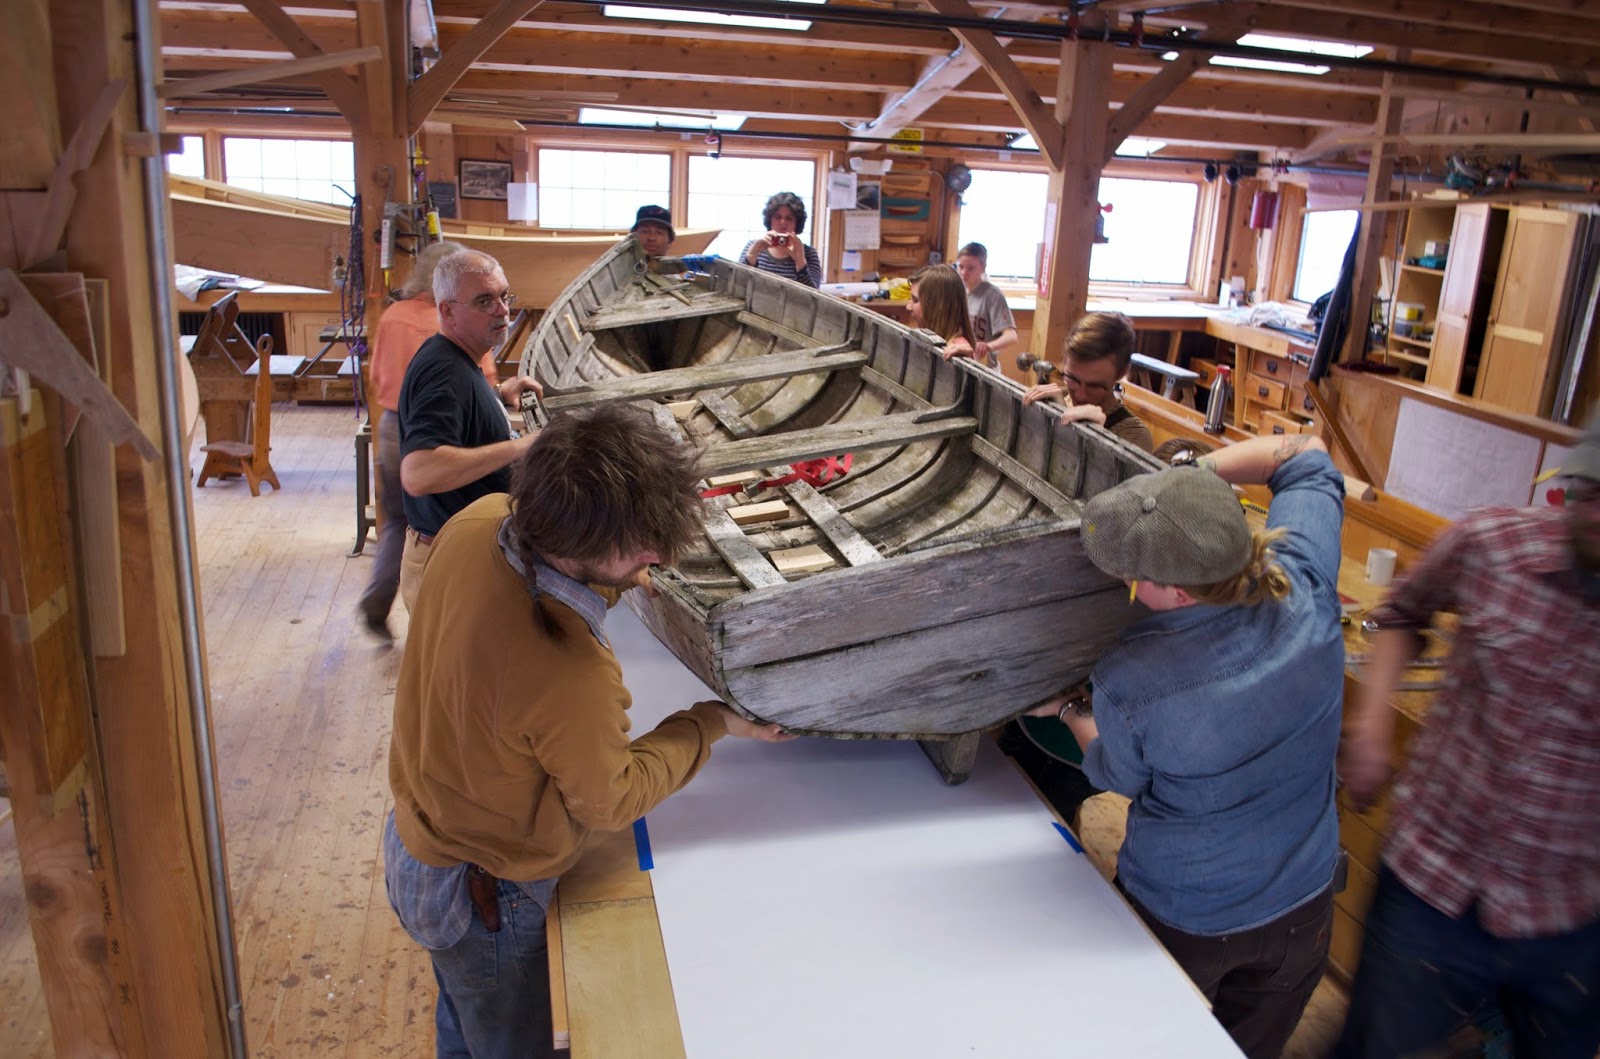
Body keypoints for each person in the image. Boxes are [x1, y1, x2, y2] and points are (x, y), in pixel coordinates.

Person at [385, 402, 792, 1059]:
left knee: (461, 1019)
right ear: (581, 546)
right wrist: (708, 722)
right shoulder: (568, 670)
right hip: (487, 899)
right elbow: (609, 799)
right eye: (643, 548)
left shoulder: (476, 525)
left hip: (420, 840)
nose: (656, 556)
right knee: (508, 1042)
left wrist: (613, 581)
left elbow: (510, 654)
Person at [1026, 433, 1346, 1059]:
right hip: (1305, 905)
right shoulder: (1305, 582)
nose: (1128, 584)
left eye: (1133, 578)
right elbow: (1303, 454)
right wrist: (1191, 480)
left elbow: (1118, 776)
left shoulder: (1131, 678)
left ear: (1175, 592)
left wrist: (1067, 710)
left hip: (1188, 917)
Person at [1333, 412, 1600, 1059]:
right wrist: (1371, 723)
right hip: (1434, 879)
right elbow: (1402, 611)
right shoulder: (1491, 546)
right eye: (1596, 500)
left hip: (1567, 909)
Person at [356, 241, 499, 642]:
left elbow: (379, 375)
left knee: (398, 520)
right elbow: (481, 381)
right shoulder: (454, 325)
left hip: (391, 426)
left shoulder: (394, 316)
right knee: (446, 519)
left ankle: (379, 596)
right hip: (443, 430)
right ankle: (447, 614)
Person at [397, 249, 542, 616]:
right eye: (484, 301)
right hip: (447, 564)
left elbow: (459, 419)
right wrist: (523, 447)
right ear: (447, 311)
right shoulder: (445, 372)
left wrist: (496, 396)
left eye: (504, 296)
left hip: (455, 555)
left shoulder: (456, 358)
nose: (503, 311)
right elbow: (420, 472)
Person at [1021, 311, 1154, 453]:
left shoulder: (1134, 436)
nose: (1081, 395)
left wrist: (1097, 437)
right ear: (1064, 361)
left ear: (1121, 373)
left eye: (1095, 386)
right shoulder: (1052, 398)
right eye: (1072, 379)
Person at [953, 242, 1019, 366]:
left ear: (983, 267)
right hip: (961, 362)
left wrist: (988, 346)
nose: (964, 272)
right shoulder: (957, 291)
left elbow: (1011, 336)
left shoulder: (992, 295)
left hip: (984, 366)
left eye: (970, 268)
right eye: (960, 267)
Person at [740, 191, 821, 287]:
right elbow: (739, 284)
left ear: (797, 222)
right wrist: (751, 255)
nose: (782, 222)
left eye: (789, 218)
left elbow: (814, 298)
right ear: (770, 220)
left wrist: (800, 260)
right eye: (777, 217)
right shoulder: (753, 247)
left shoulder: (809, 254)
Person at [908, 264, 978, 362]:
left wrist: (968, 362)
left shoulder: (958, 351)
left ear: (938, 306)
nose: (908, 307)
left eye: (915, 300)